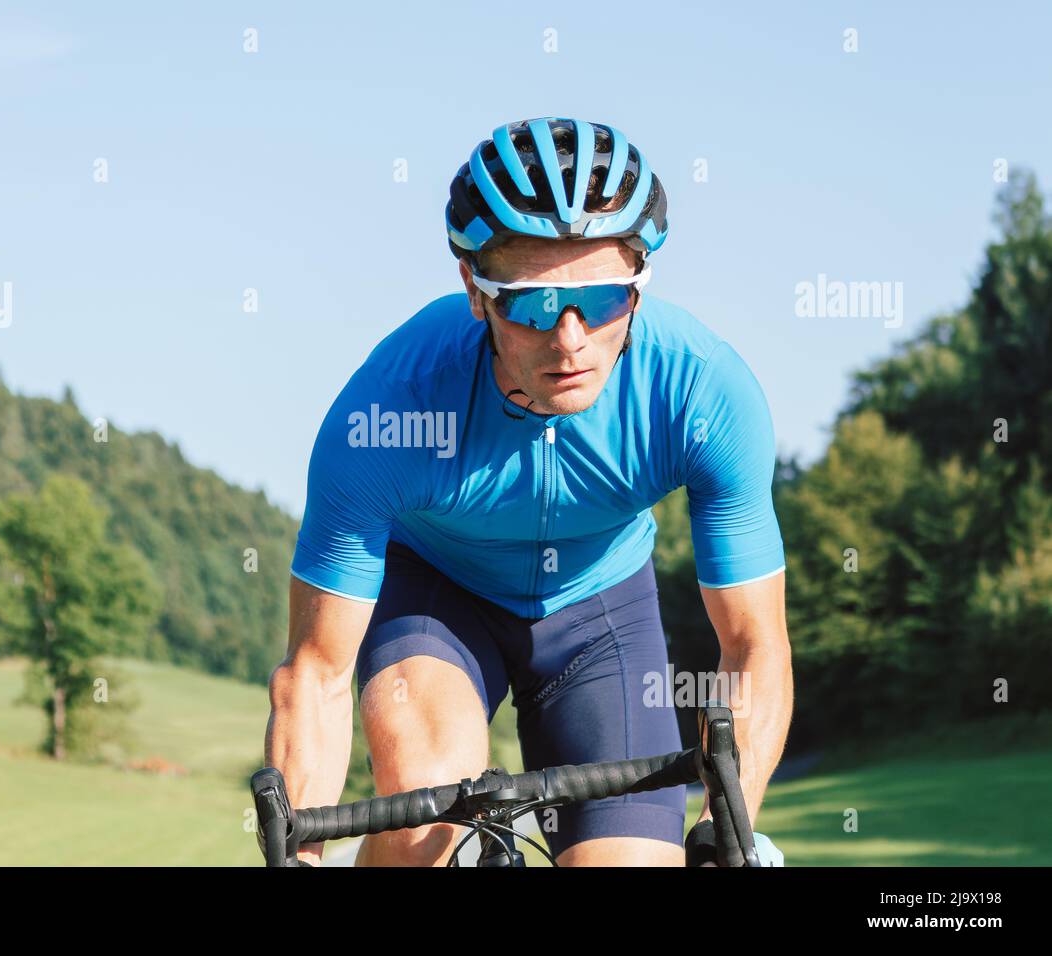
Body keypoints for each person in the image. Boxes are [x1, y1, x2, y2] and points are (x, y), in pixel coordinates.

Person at [265, 117, 792, 866]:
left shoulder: (704, 393)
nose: (571, 338)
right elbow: (315, 674)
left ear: (641, 286)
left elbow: (753, 641)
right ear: (475, 292)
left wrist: (726, 825)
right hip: (437, 596)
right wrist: (303, 857)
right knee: (426, 806)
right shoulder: (388, 411)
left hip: (601, 612)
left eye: (603, 299)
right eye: (535, 305)